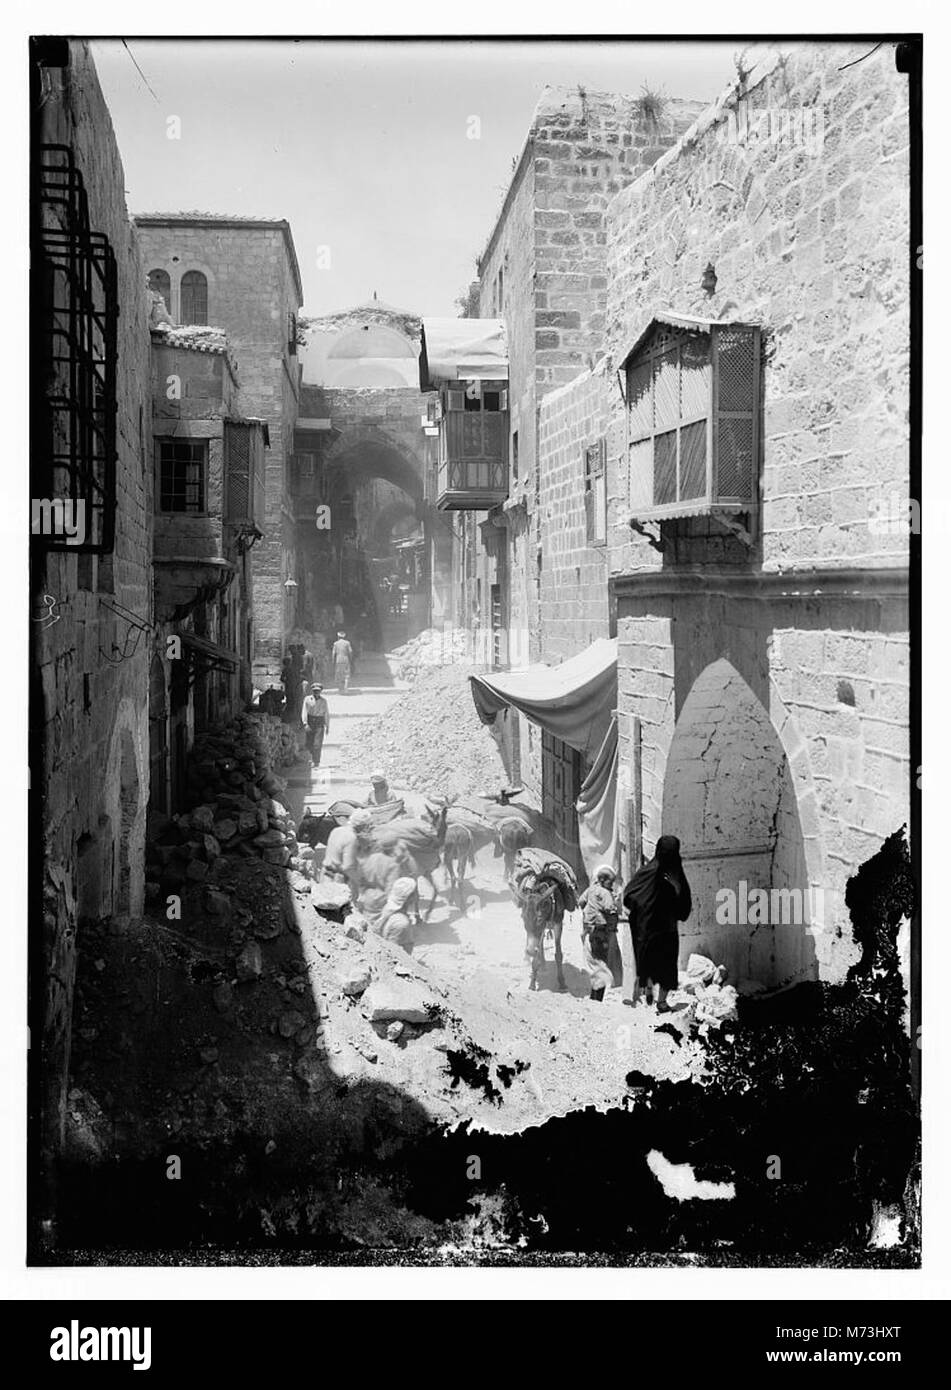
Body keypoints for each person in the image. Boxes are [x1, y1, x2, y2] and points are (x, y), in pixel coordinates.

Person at [623, 835, 692, 1012]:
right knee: (648, 963)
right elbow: (629, 895)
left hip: (667, 929)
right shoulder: (648, 872)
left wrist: (677, 888)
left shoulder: (676, 874)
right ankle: (646, 993)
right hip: (648, 929)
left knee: (668, 966)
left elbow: (684, 906)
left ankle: (662, 1001)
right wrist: (643, 907)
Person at [577, 864, 623, 1002]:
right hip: (602, 933)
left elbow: (581, 902)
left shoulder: (590, 890)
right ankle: (597, 999)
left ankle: (594, 997)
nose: (613, 885)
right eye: (611, 882)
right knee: (601, 965)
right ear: (604, 881)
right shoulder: (605, 893)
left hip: (589, 932)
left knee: (594, 964)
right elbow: (611, 910)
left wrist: (592, 909)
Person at [374, 877, 418, 954]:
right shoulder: (401, 923)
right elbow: (392, 954)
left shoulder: (389, 909)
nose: (418, 896)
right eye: (415, 893)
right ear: (409, 897)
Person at [301, 682, 330, 766]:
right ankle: (311, 757)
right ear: (312, 691)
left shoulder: (324, 701)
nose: (316, 692)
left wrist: (327, 726)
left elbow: (326, 714)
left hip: (319, 723)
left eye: (318, 691)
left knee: (317, 743)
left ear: (320, 691)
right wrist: (305, 723)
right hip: (310, 721)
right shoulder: (307, 699)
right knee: (309, 743)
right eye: (314, 691)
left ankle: (316, 761)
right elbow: (304, 711)